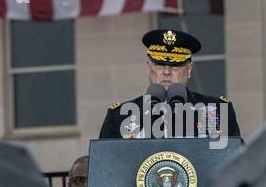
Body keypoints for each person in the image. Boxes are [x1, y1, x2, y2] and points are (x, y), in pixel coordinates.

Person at [98, 27, 240, 140]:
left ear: (189, 70)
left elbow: (237, 165)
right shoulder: (120, 116)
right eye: (160, 65)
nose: (166, 72)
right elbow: (105, 166)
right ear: (148, 66)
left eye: (175, 66)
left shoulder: (217, 111)